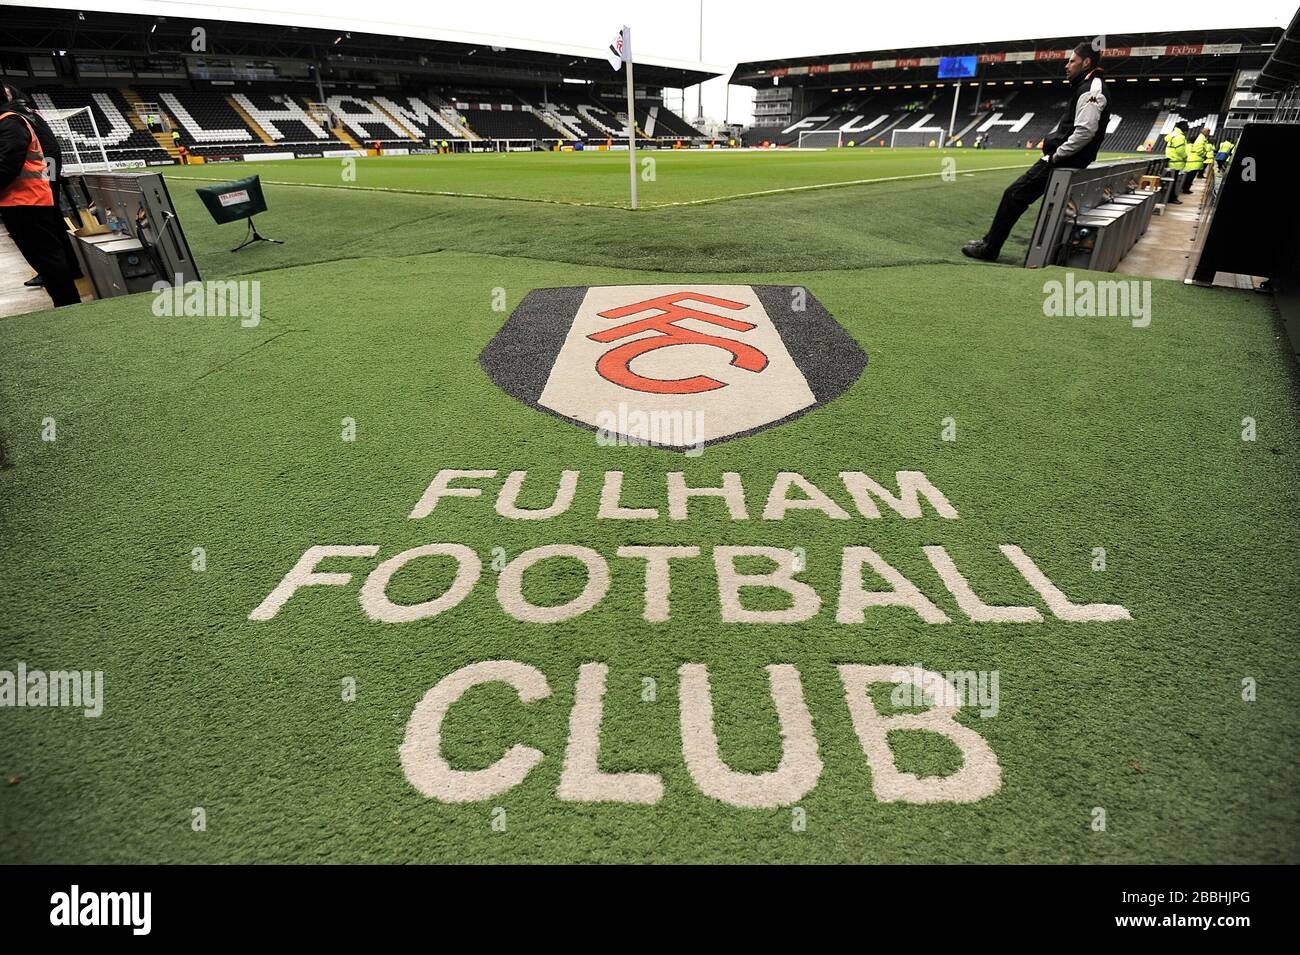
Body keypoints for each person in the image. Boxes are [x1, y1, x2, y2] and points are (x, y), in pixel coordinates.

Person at [962, 41, 1110, 262]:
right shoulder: (1088, 86)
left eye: (1072, 61)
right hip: (1066, 158)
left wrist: (1056, 155)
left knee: (1013, 195)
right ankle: (989, 242)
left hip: (1064, 160)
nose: (1067, 66)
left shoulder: (1092, 89)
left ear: (1086, 62)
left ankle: (989, 248)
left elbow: (1085, 132)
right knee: (1015, 195)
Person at [0, 82, 80, 307]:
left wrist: (48, 178)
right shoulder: (25, 112)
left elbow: (49, 149)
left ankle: (63, 275)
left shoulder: (14, 117)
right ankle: (64, 270)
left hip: (36, 182)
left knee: (50, 226)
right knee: (51, 225)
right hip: (43, 172)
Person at [1164, 122, 1188, 204]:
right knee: (1173, 183)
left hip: (1171, 161)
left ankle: (1169, 198)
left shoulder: (1173, 134)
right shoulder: (1179, 137)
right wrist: (1185, 157)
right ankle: (1171, 198)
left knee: (1171, 182)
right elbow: (1180, 150)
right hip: (1176, 162)